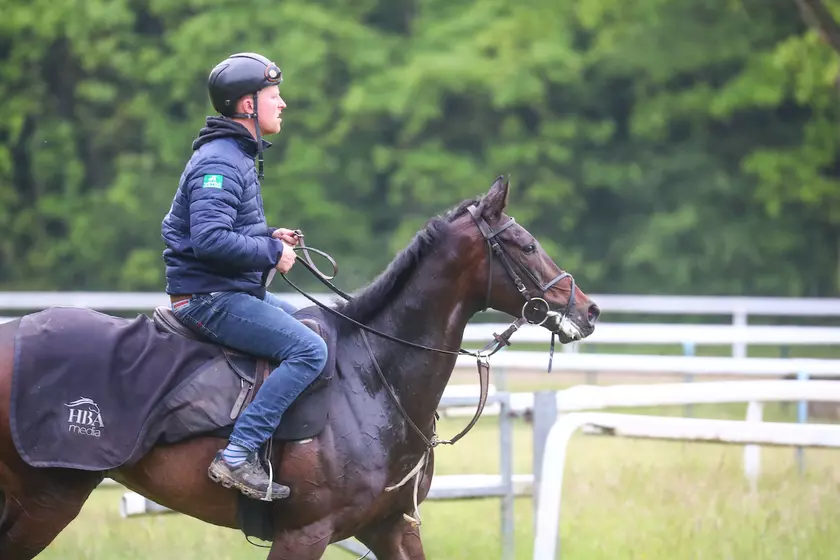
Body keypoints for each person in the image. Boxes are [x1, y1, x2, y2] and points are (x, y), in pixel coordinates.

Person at [160, 52, 328, 501]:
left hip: (229, 290)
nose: (283, 103)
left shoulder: (235, 156)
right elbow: (209, 241)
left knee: (315, 324)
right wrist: (271, 252)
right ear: (248, 105)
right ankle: (236, 456)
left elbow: (225, 230)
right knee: (309, 350)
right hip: (208, 298)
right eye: (275, 96)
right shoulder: (220, 163)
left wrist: (269, 236)